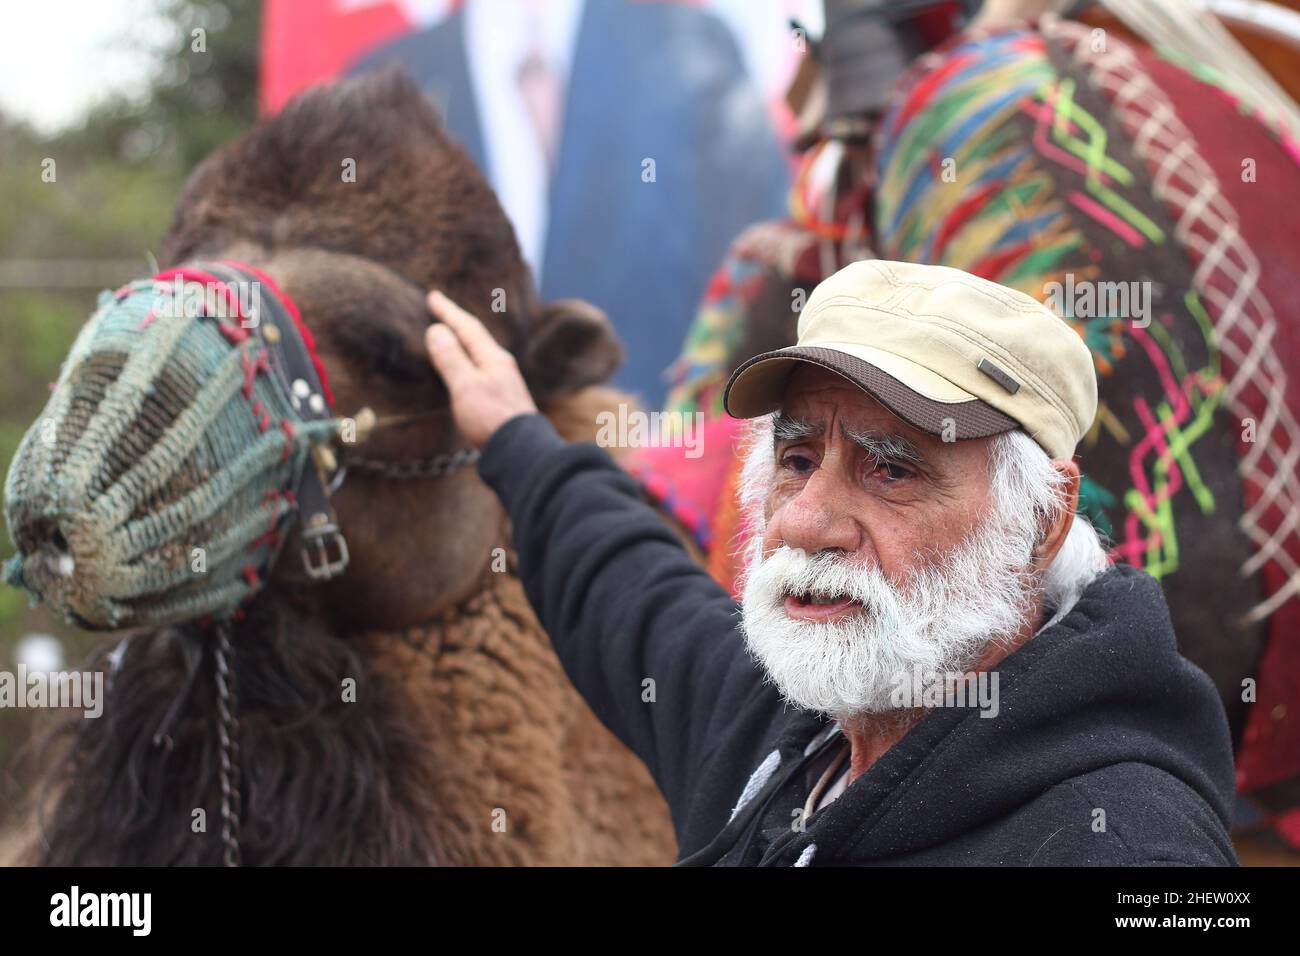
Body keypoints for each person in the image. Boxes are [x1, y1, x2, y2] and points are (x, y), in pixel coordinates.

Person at [423, 259, 1238, 866]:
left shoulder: (1122, 845)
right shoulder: (790, 739)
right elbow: (629, 586)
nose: (808, 521)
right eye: (799, 456)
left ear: (1044, 520)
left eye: (891, 469)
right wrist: (514, 437)